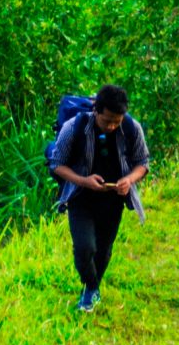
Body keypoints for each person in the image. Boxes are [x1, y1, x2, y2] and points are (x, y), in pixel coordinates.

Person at [50, 83, 149, 313]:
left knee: (104, 248)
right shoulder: (73, 127)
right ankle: (91, 288)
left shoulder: (132, 128)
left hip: (114, 199)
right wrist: (84, 181)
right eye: (107, 121)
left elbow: (142, 163)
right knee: (85, 247)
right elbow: (57, 164)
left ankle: (92, 290)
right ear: (96, 110)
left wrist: (129, 180)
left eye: (117, 121)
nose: (113, 126)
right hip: (81, 196)